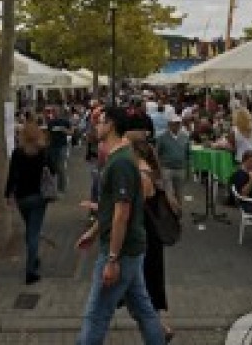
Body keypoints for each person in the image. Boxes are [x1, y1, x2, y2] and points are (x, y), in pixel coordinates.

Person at [75, 106, 167, 345]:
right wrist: (93, 232)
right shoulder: (119, 159)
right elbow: (110, 207)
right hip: (128, 248)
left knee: (96, 315)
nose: (96, 125)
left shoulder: (121, 163)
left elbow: (121, 212)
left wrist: (112, 258)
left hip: (121, 250)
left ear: (112, 125)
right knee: (143, 310)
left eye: (100, 121)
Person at [131, 137, 176, 342]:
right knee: (146, 289)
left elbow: (133, 209)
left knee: (142, 291)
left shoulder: (142, 177)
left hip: (145, 238)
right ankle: (158, 328)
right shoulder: (156, 176)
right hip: (153, 239)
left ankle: (158, 331)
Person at [5, 120, 54, 285]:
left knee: (30, 229)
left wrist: (7, 195)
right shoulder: (43, 152)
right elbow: (53, 170)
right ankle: (30, 270)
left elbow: (11, 175)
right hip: (39, 196)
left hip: (22, 197)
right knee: (34, 231)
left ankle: (34, 258)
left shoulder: (17, 153)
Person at [155, 113, 190, 207]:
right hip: (167, 169)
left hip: (180, 169)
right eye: (174, 123)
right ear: (169, 124)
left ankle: (178, 216)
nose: (177, 125)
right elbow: (157, 153)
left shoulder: (185, 137)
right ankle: (172, 215)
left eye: (178, 123)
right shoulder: (162, 137)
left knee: (179, 194)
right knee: (169, 195)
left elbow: (187, 154)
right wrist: (158, 169)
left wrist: (188, 169)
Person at [46, 106, 72, 195]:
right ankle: (55, 187)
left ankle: (62, 188)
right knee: (54, 167)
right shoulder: (51, 123)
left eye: (56, 111)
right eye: (53, 111)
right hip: (52, 147)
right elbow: (48, 134)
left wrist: (64, 130)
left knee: (60, 167)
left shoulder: (65, 122)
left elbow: (71, 132)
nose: (55, 113)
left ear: (60, 112)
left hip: (62, 146)